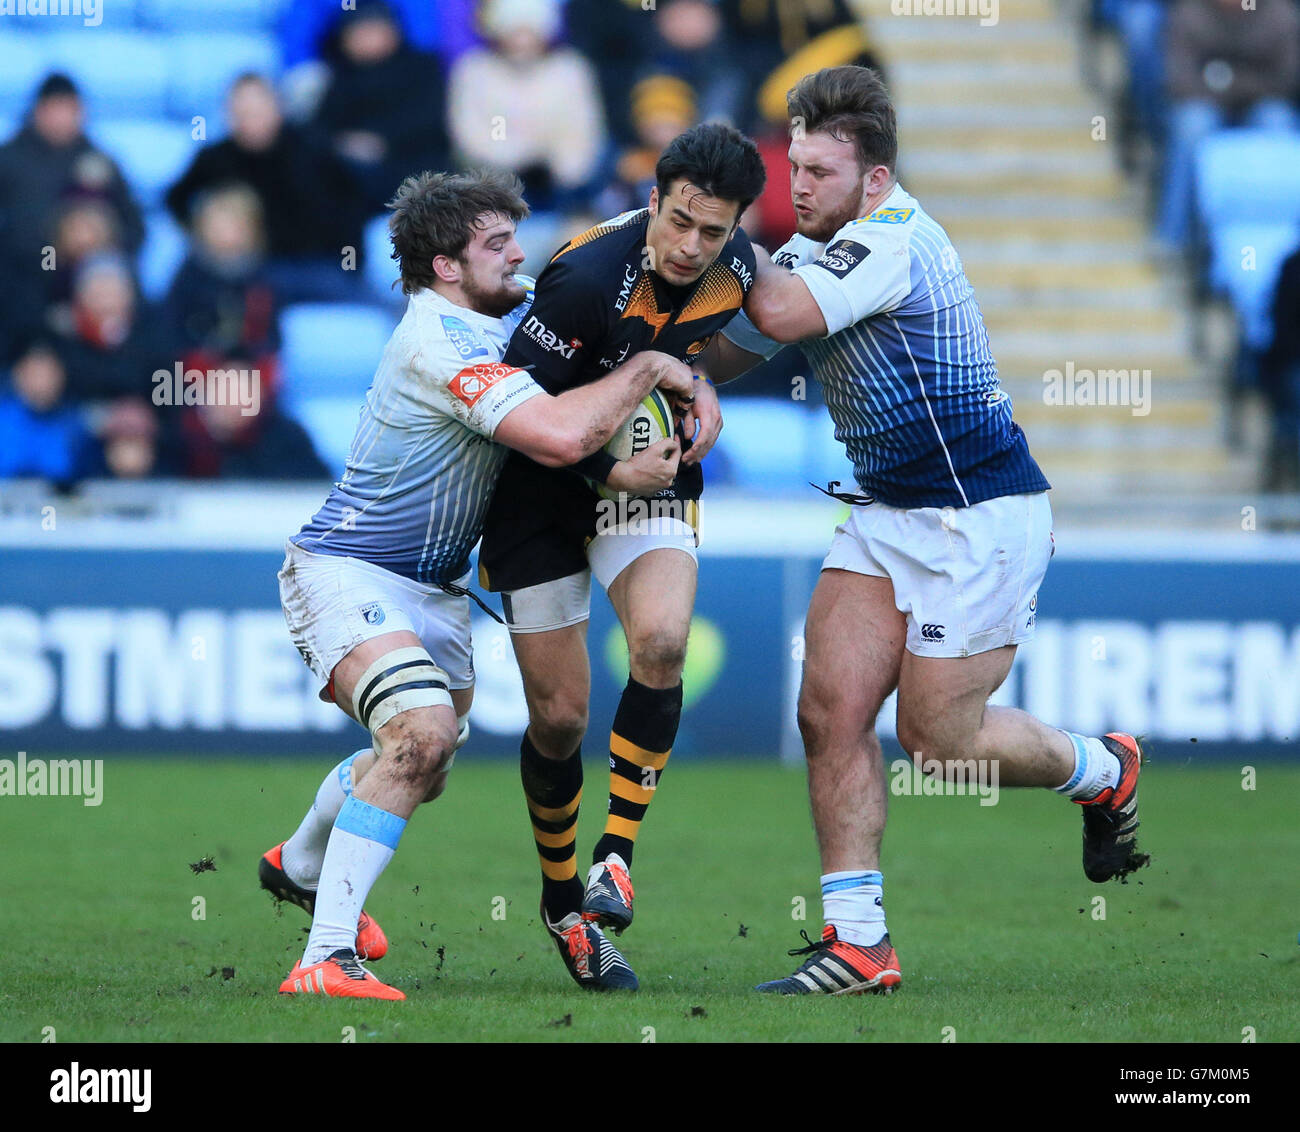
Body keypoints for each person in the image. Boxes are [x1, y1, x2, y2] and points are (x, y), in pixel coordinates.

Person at [701, 66, 1147, 996]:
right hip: (885, 513)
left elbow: (775, 309)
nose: (801, 185)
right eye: (796, 167)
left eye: (820, 171)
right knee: (828, 714)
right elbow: (733, 349)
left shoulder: (895, 240)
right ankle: (859, 944)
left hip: (978, 517)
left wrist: (721, 234)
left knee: (939, 743)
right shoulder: (828, 246)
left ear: (875, 179)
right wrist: (659, 361)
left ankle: (1102, 767)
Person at [263, 168, 697, 1000]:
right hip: (349, 566)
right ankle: (324, 960)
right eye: (496, 244)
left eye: (515, 236)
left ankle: (304, 860)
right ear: (446, 268)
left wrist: (689, 379)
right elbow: (561, 436)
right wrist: (646, 368)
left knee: (423, 759)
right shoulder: (441, 341)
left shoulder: (506, 318)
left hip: (435, 588)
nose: (517, 255)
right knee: (421, 736)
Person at [476, 123, 767, 990]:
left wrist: (703, 386)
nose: (691, 246)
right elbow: (514, 414)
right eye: (679, 221)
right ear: (653, 200)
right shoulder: (582, 282)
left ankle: (614, 860)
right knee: (561, 718)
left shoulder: (738, 266)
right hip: (542, 489)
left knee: (665, 643)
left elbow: (701, 345)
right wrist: (606, 468)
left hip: (650, 476)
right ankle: (565, 907)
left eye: (711, 232)